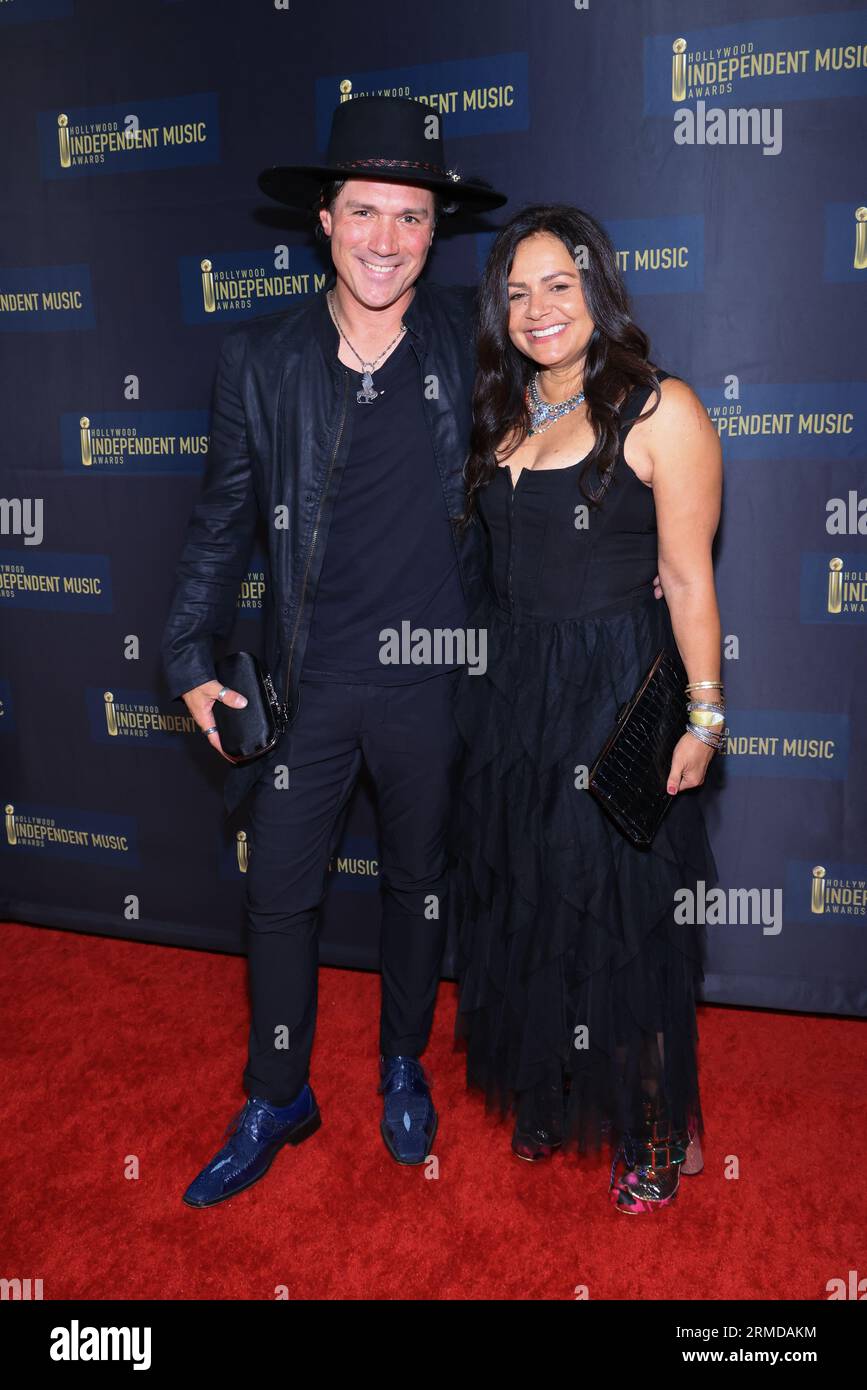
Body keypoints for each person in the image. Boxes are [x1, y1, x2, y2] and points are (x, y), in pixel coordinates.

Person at [160, 95, 507, 1204]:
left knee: (420, 885)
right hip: (308, 687)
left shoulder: (473, 338)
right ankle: (277, 1090)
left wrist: (648, 538)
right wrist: (186, 657)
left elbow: (557, 456)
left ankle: (402, 1061)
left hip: (434, 683)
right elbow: (221, 524)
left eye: (411, 218)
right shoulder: (259, 360)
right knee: (278, 901)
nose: (386, 240)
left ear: (435, 230)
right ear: (324, 217)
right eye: (366, 211)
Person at [451, 204, 723, 1213]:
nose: (537, 308)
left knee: (625, 916)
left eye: (559, 284)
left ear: (599, 290)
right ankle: (560, 1094)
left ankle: (654, 1120)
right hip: (512, 704)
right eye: (517, 292)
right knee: (529, 899)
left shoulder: (662, 411)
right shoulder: (505, 412)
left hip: (614, 697)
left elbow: (688, 580)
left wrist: (704, 719)